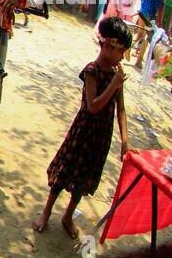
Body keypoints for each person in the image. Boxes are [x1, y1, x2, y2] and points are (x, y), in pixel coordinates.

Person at [33, 16, 132, 237]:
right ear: (108, 46)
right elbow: (93, 105)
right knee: (65, 172)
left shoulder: (117, 76)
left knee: (84, 177)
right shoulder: (92, 71)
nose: (122, 57)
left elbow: (121, 108)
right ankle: (46, 212)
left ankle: (68, 215)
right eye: (121, 51)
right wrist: (114, 84)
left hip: (101, 136)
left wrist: (125, 140)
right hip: (84, 131)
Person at [134, 0, 165, 68]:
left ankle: (128, 48)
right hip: (150, 14)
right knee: (147, 37)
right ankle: (139, 60)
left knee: (139, 34)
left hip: (142, 10)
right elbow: (159, 4)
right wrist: (160, 21)